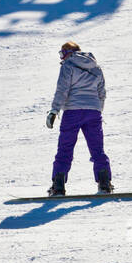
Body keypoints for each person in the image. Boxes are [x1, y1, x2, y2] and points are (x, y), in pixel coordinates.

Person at [45, 41, 112, 196]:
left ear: (69, 52)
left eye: (62, 53)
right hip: (93, 112)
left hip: (72, 112)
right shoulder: (95, 67)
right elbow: (102, 92)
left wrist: (54, 110)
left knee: (65, 148)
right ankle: (104, 184)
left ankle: (58, 186)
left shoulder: (68, 66)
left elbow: (62, 90)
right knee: (97, 149)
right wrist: (97, 109)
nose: (61, 57)